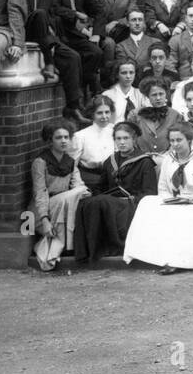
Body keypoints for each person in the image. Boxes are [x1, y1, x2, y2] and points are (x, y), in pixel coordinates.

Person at [123, 120, 193, 274]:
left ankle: (177, 261)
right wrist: (169, 200)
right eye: (172, 141)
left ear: (189, 139)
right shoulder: (168, 159)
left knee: (182, 217)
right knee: (146, 203)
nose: (175, 144)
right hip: (175, 202)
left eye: (179, 140)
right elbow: (163, 188)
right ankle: (141, 252)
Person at [72, 120, 159, 266]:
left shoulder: (145, 162)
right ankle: (87, 252)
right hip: (111, 203)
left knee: (102, 202)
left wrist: (131, 199)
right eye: (118, 139)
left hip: (133, 204)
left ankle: (108, 248)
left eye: (126, 138)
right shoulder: (110, 161)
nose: (122, 142)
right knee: (86, 203)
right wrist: (93, 193)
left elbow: (150, 192)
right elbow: (101, 187)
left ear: (134, 139)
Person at [29, 119, 91, 270]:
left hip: (63, 208)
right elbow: (40, 192)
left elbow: (78, 185)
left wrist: (83, 192)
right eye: (58, 138)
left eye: (66, 137)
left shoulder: (70, 161)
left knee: (80, 192)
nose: (63, 141)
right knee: (71, 196)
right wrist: (44, 219)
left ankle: (65, 248)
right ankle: (51, 250)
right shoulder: (40, 162)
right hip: (41, 211)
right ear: (50, 141)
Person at [70, 95, 117, 190]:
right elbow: (72, 166)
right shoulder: (80, 136)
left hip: (113, 177)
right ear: (92, 114)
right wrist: (79, 186)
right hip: (91, 180)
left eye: (107, 112)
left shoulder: (116, 130)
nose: (104, 116)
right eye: (99, 113)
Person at [133, 77, 184, 155]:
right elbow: (130, 138)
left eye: (161, 94)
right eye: (154, 95)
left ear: (166, 94)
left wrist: (167, 155)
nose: (158, 98)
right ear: (147, 96)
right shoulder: (136, 114)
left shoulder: (175, 115)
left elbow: (181, 138)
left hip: (168, 158)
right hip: (142, 159)